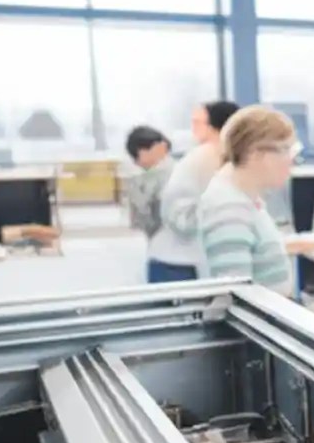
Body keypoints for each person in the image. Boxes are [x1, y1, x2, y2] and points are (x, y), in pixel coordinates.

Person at [196, 105, 296, 297]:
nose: (290, 160)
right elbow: (235, 299)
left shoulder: (245, 199)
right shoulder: (228, 209)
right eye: (285, 150)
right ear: (256, 154)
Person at [152, 100, 240, 281]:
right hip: (181, 262)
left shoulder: (213, 156)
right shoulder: (208, 156)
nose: (193, 129)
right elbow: (183, 217)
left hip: (178, 259)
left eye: (198, 123)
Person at [120, 126, 180, 283]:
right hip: (167, 251)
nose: (137, 161)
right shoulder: (164, 173)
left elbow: (146, 221)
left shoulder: (165, 175)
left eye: (137, 154)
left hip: (169, 254)